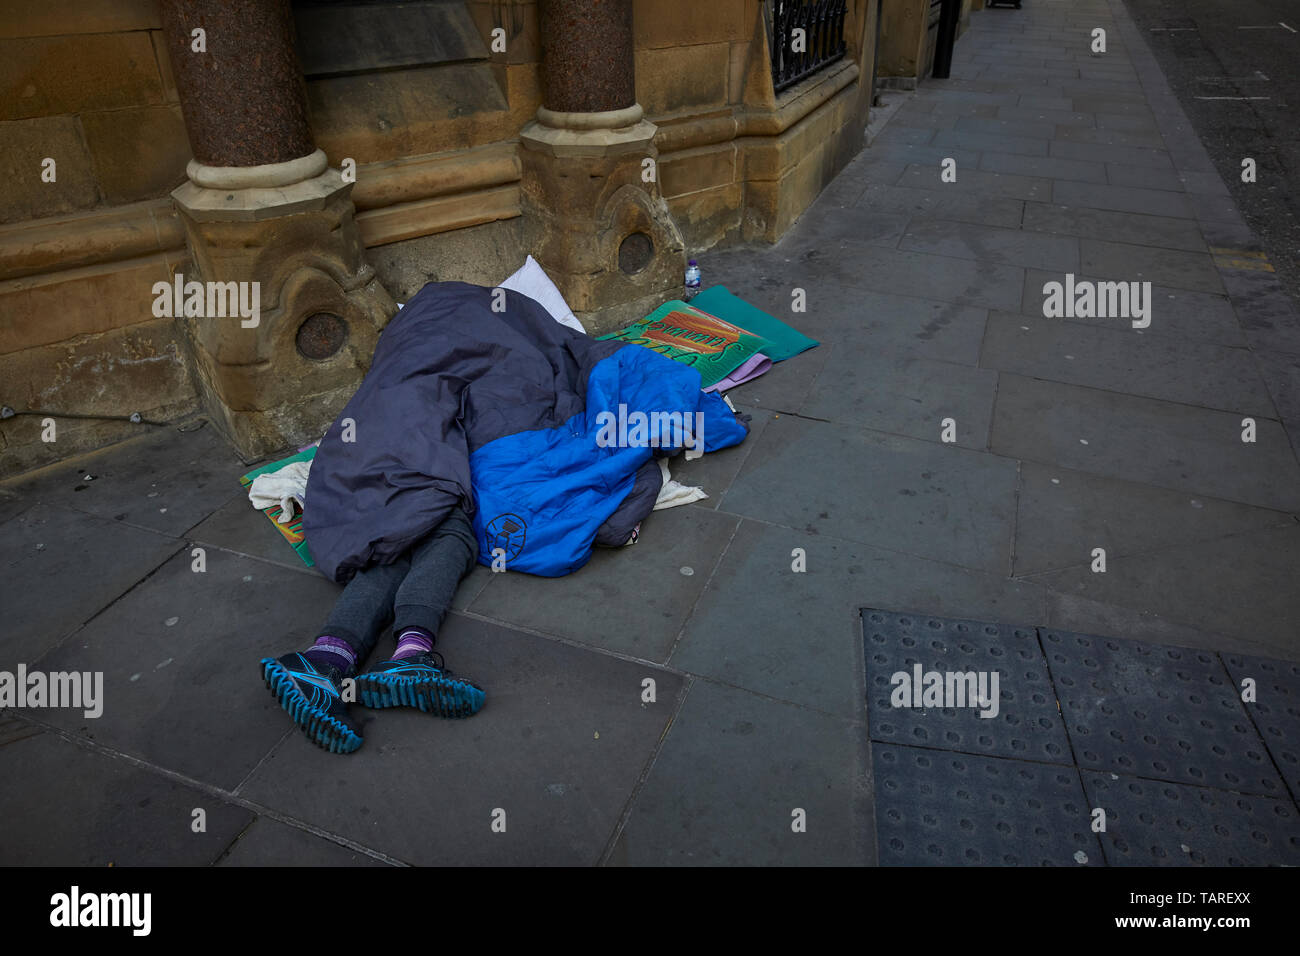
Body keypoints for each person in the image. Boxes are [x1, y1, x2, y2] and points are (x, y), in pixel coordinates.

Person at [259, 505, 485, 754]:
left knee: (389, 551)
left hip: (361, 511)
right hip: (407, 494)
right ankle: (411, 653)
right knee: (451, 534)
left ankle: (324, 660)